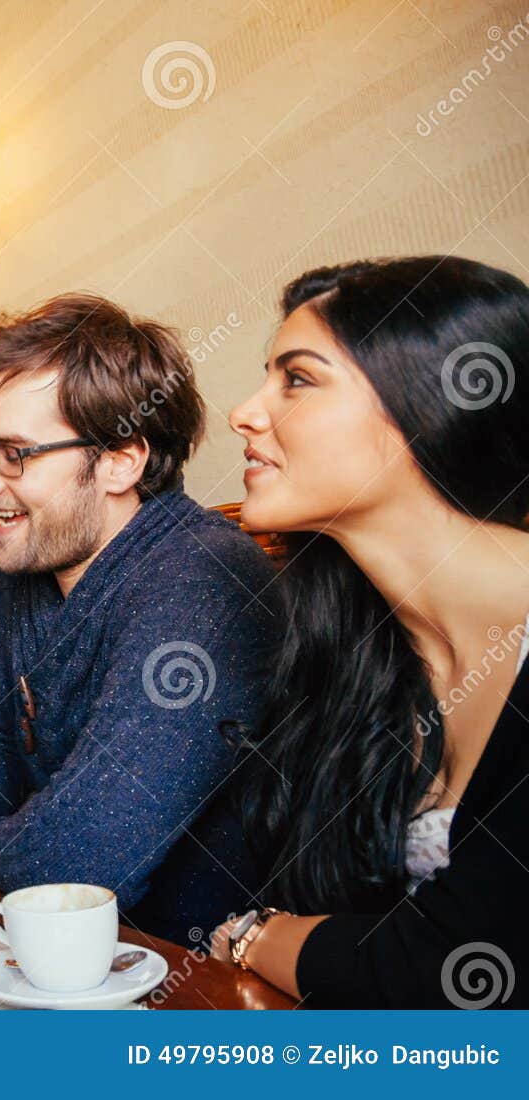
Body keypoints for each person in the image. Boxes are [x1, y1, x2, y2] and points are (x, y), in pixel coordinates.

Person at [0, 294, 275, 942]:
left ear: (119, 460)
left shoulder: (204, 577)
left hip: (200, 991)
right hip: (54, 961)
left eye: (13, 452)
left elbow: (76, 861)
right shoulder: (11, 577)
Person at [212, 256, 529, 1008]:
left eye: (297, 378)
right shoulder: (355, 645)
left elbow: (451, 970)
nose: (244, 413)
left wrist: (261, 936)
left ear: (431, 400)